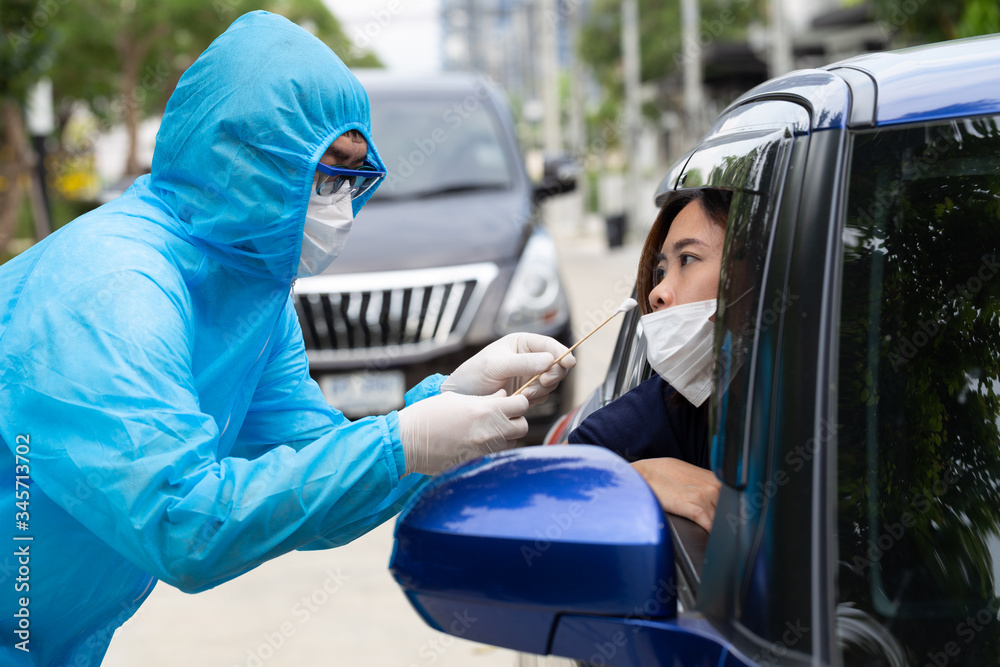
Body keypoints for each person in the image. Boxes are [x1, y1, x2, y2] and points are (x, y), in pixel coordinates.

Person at [0, 12, 573, 666]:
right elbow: (184, 521)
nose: (339, 206)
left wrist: (440, 400)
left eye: (352, 179)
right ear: (241, 159)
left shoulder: (253, 294)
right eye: (324, 175)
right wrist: (403, 441)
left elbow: (312, 466)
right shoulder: (113, 288)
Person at [567, 188, 731, 532]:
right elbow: (561, 473)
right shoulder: (677, 401)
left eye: (686, 259)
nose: (657, 292)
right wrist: (636, 475)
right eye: (660, 272)